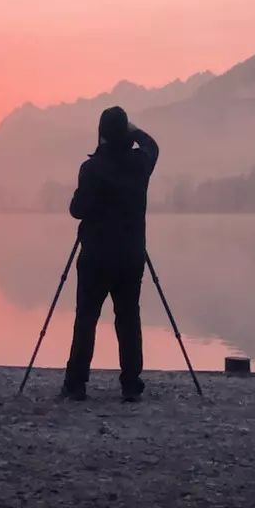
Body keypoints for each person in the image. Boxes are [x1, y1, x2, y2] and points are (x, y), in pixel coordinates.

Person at [61, 106, 159, 402]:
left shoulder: (91, 169)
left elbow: (77, 211)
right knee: (128, 318)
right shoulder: (140, 165)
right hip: (130, 256)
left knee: (86, 318)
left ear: (101, 134)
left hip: (95, 256)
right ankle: (130, 384)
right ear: (126, 134)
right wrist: (135, 130)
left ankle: (76, 384)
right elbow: (152, 146)